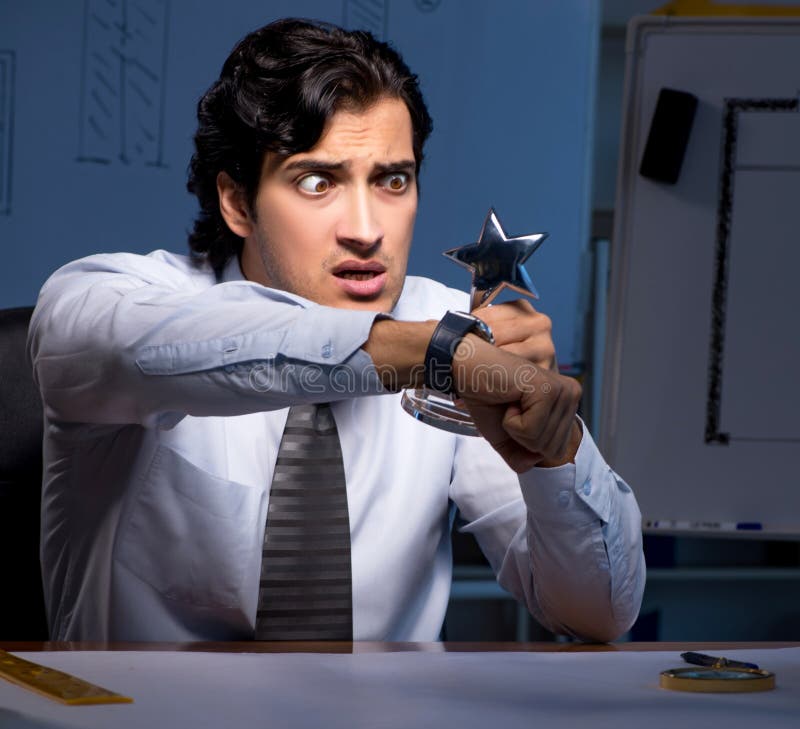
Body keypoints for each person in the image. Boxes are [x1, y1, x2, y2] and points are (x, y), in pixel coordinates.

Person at [28, 18, 644, 643]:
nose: (366, 228)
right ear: (238, 202)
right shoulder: (111, 300)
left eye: (392, 180)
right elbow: (133, 351)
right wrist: (432, 353)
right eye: (317, 182)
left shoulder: (464, 337)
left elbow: (597, 615)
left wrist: (554, 452)